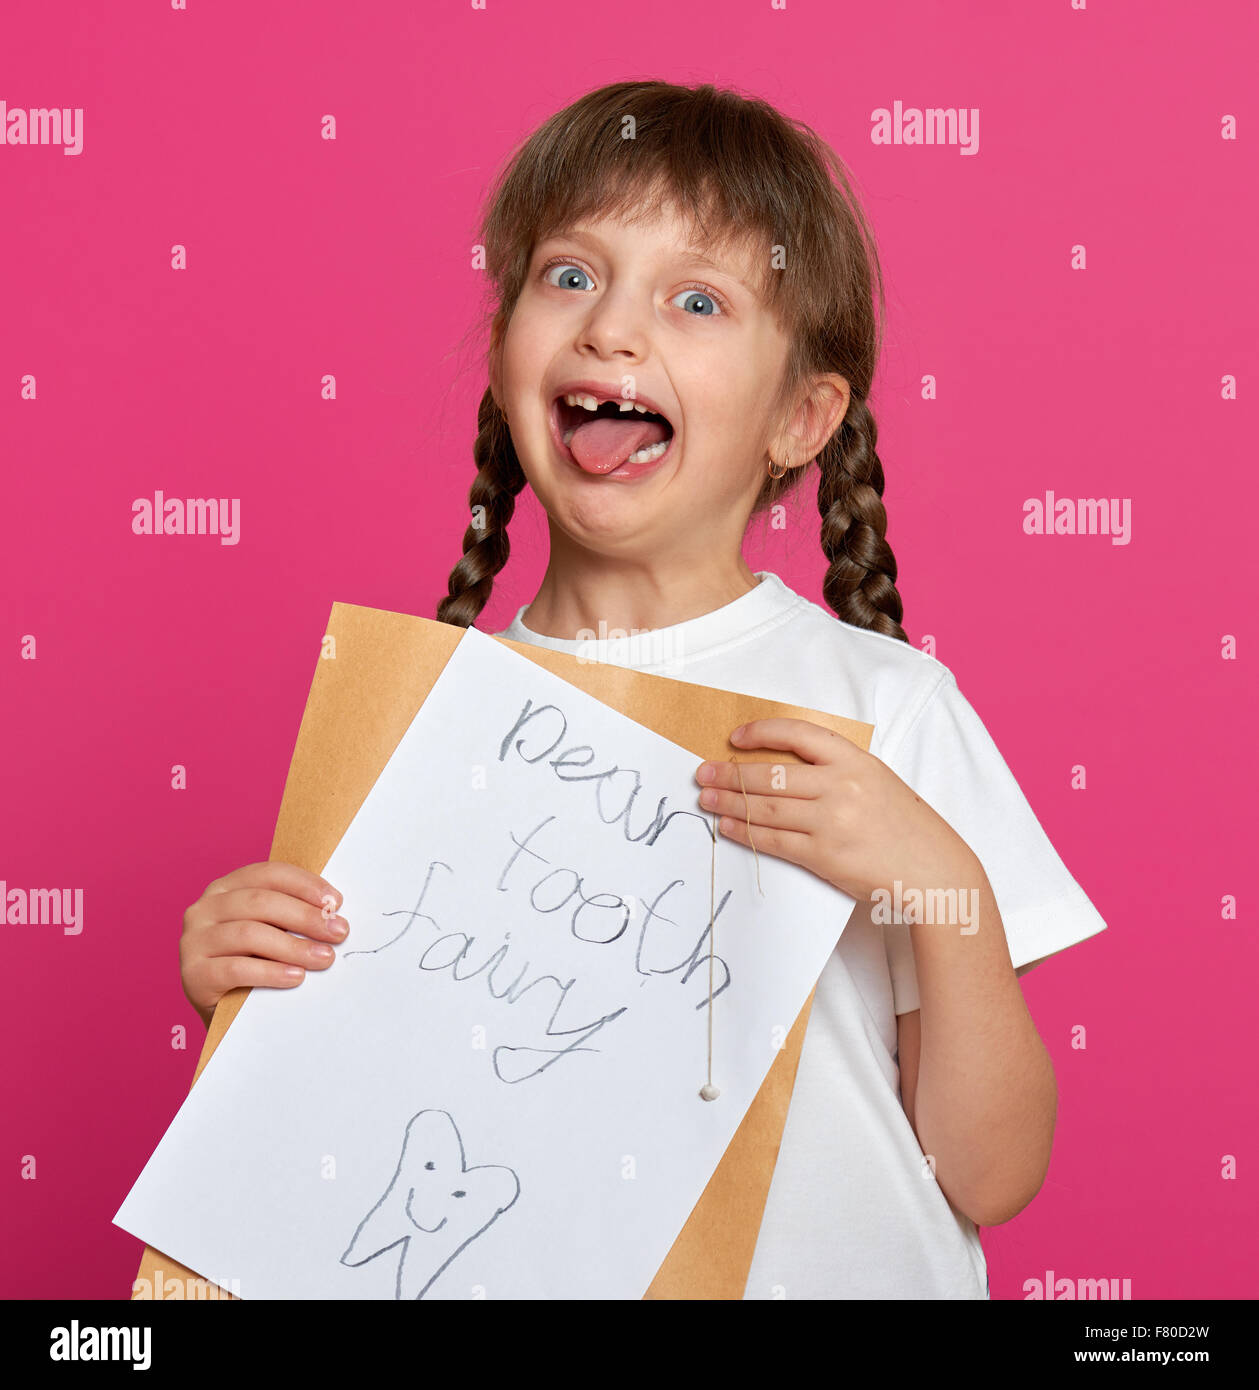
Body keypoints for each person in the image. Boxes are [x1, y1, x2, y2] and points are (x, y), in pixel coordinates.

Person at [180, 80, 1106, 1299]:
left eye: (696, 300)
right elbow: (367, 1153)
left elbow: (987, 1177)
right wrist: (241, 1001)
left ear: (799, 416)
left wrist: (945, 888)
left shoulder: (887, 706)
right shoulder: (416, 728)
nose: (611, 330)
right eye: (569, 277)